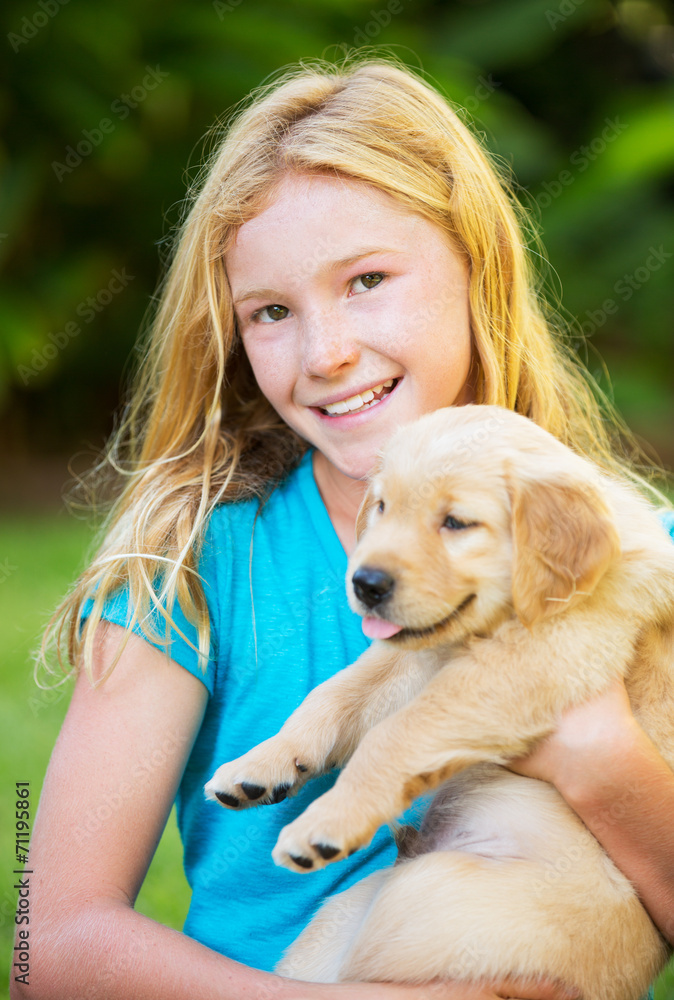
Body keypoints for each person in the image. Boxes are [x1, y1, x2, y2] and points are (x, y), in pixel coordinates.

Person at [14, 56, 674, 1000]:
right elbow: (50, 950)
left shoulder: (634, 550)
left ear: (475, 263)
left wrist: (598, 755)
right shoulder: (190, 559)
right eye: (272, 312)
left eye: (366, 280)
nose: (327, 353)